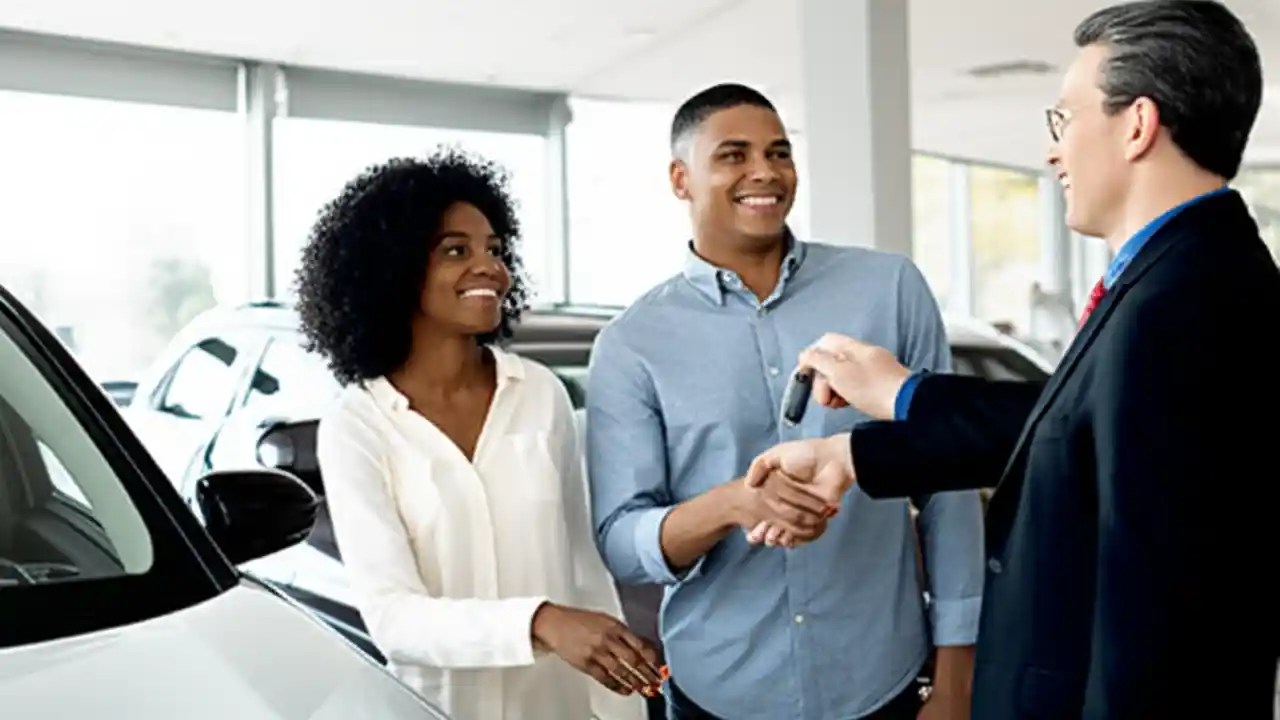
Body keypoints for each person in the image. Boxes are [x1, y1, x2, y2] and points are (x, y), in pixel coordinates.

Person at [745, 3, 1280, 718]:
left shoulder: (1185, 305)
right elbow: (1075, 429)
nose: (1054, 150)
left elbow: (1161, 627)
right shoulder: (1177, 275)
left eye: (1064, 119)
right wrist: (871, 434)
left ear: (1138, 125)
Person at [585, 83, 986, 720]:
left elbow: (949, 487)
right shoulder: (632, 344)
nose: (764, 172)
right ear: (680, 179)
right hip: (717, 691)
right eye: (733, 155)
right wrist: (729, 505)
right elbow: (622, 537)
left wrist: (956, 683)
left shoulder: (888, 290)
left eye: (779, 152)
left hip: (881, 682)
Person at [297, 148, 656, 720]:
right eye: (455, 251)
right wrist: (540, 621)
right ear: (394, 268)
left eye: (494, 249)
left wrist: (622, 707)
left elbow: (583, 569)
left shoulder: (540, 393)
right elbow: (394, 617)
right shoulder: (358, 422)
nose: (489, 266)